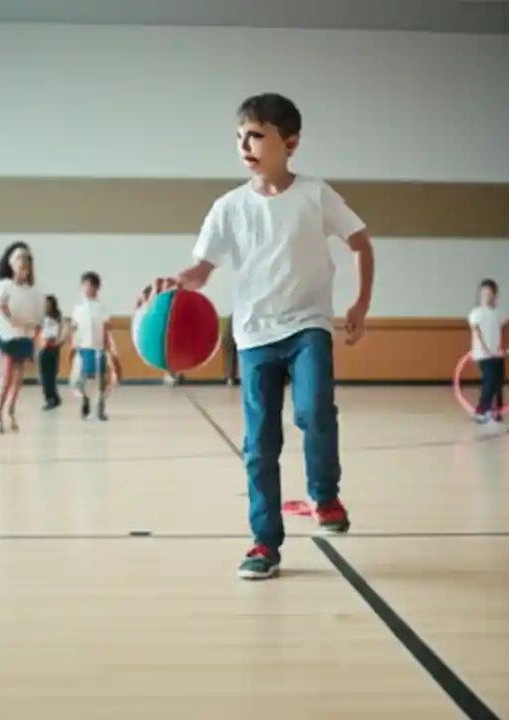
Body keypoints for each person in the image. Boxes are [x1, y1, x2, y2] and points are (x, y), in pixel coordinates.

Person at [141, 93, 375, 580]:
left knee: (313, 411)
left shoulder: (315, 195)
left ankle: (325, 495)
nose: (245, 145)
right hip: (253, 337)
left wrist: (359, 305)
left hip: (308, 323)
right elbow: (202, 269)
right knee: (259, 444)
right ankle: (265, 543)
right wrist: (178, 281)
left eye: (256, 135)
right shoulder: (228, 207)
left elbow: (360, 244)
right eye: (239, 137)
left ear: (289, 143)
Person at [0, 242, 44, 434]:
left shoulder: (35, 292)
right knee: (5, 379)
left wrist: (33, 330)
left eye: (26, 258)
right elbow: (1, 307)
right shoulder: (4, 286)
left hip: (24, 339)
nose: (23, 261)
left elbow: (38, 317)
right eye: (18, 257)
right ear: (11, 263)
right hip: (7, 338)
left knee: (18, 380)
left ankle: (10, 412)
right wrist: (14, 320)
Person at [68, 272, 114, 421]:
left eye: (92, 286)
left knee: (101, 380)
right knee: (82, 379)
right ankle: (85, 402)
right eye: (86, 286)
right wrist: (71, 344)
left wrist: (108, 346)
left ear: (97, 288)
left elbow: (107, 327)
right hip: (83, 347)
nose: (88, 289)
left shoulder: (101, 307)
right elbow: (73, 327)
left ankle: (100, 410)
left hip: (98, 348)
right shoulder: (78, 308)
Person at [468, 279, 507, 424]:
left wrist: (501, 347)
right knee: (489, 381)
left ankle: (496, 411)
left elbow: (502, 332)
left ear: (495, 295)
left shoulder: (500, 314)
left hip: (497, 353)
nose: (486, 296)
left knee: (499, 381)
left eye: (489, 293)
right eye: (483, 293)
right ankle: (483, 410)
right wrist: (486, 349)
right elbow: (477, 332)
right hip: (483, 354)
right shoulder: (476, 313)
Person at [39, 294, 65, 410]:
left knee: (50, 375)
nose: (45, 306)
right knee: (44, 376)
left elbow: (60, 334)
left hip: (53, 347)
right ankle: (53, 397)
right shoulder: (42, 317)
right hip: (44, 347)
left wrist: (58, 343)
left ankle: (51, 398)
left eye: (48, 304)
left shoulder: (57, 318)